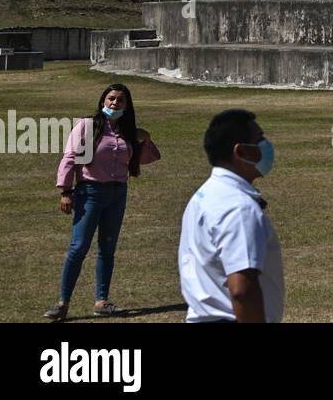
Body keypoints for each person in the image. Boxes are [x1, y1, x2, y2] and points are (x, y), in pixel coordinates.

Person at [46, 83, 161, 321]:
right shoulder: (89, 126)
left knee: (107, 249)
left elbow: (148, 158)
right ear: (102, 101)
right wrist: (66, 191)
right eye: (110, 99)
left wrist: (145, 139)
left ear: (127, 106)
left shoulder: (128, 132)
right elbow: (70, 158)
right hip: (89, 193)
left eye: (120, 100)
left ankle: (102, 301)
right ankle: (62, 303)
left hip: (117, 194)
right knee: (78, 248)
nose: (114, 103)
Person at [178, 109, 284, 323]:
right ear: (241, 152)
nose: (266, 145)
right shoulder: (239, 208)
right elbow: (242, 289)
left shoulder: (203, 196)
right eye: (260, 139)